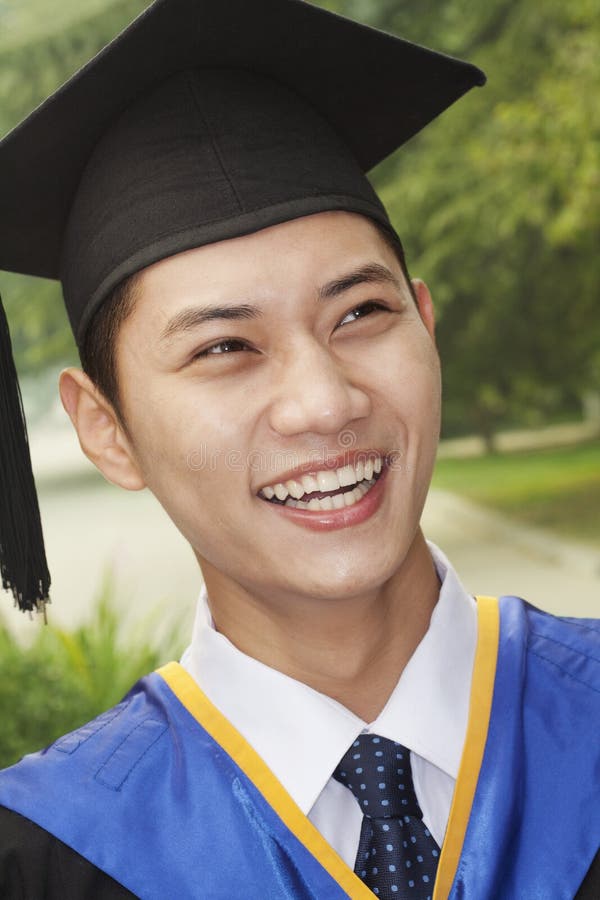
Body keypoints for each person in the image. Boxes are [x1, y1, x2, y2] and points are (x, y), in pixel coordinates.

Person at [0, 0, 598, 898]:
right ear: (106, 430)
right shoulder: (46, 859)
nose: (324, 402)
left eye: (361, 313)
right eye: (224, 348)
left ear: (427, 328)